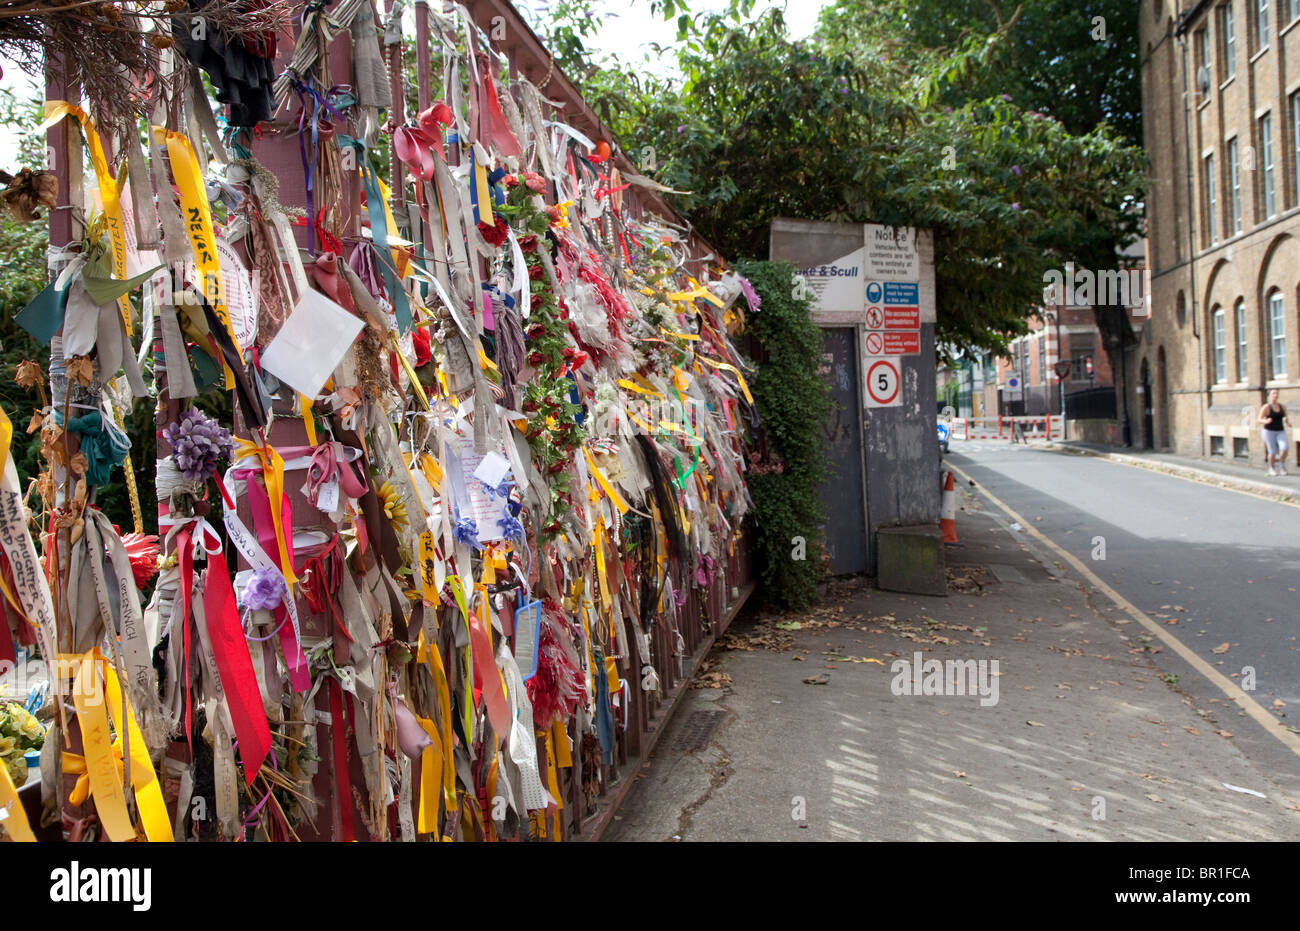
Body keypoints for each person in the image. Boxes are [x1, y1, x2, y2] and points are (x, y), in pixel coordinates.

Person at [1258, 389, 1291, 476]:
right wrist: (1266, 421)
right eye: (1273, 393)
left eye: (1277, 393)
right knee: (1272, 451)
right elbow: (1259, 419)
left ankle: (1281, 465)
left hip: (1280, 430)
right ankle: (1271, 468)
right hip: (1269, 431)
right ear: (1269, 396)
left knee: (1285, 448)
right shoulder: (1266, 407)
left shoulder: (1282, 407)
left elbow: (1285, 417)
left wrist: (1287, 422)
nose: (1275, 395)